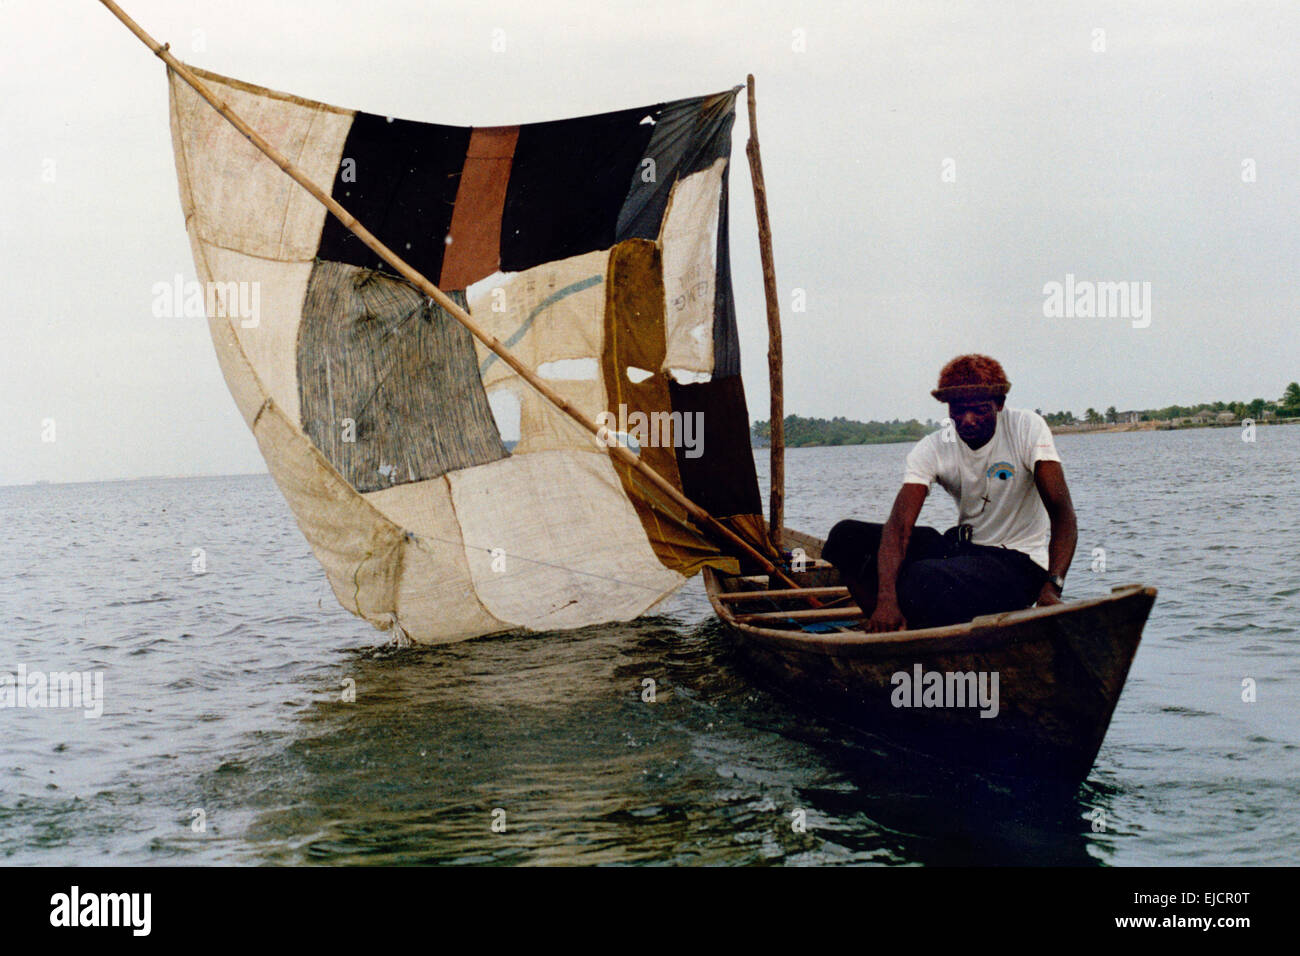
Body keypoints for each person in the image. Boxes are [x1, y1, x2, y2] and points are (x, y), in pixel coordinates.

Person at [823, 354, 1077, 632]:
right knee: (844, 537)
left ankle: (911, 624)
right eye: (958, 410)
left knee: (920, 578)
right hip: (965, 553)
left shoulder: (1027, 428)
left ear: (999, 404)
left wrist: (1053, 586)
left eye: (979, 409)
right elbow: (898, 528)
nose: (967, 420)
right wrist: (886, 600)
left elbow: (1062, 514)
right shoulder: (933, 447)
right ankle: (886, 628)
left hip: (1019, 563)